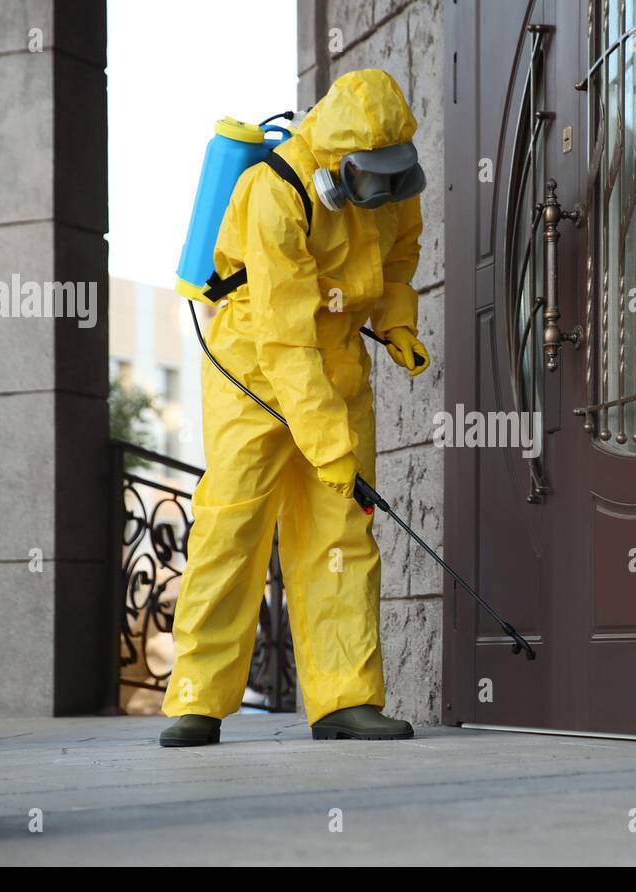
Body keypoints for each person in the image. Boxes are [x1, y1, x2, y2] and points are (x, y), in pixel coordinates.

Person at [159, 69, 429, 746]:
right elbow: (284, 336)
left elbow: (399, 260)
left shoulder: (393, 183)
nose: (384, 190)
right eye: (369, 177)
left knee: (341, 534)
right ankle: (197, 698)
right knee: (233, 527)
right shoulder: (272, 191)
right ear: (338, 166)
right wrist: (330, 446)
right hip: (255, 365)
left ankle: (345, 700)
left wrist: (398, 323)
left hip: (335, 364)